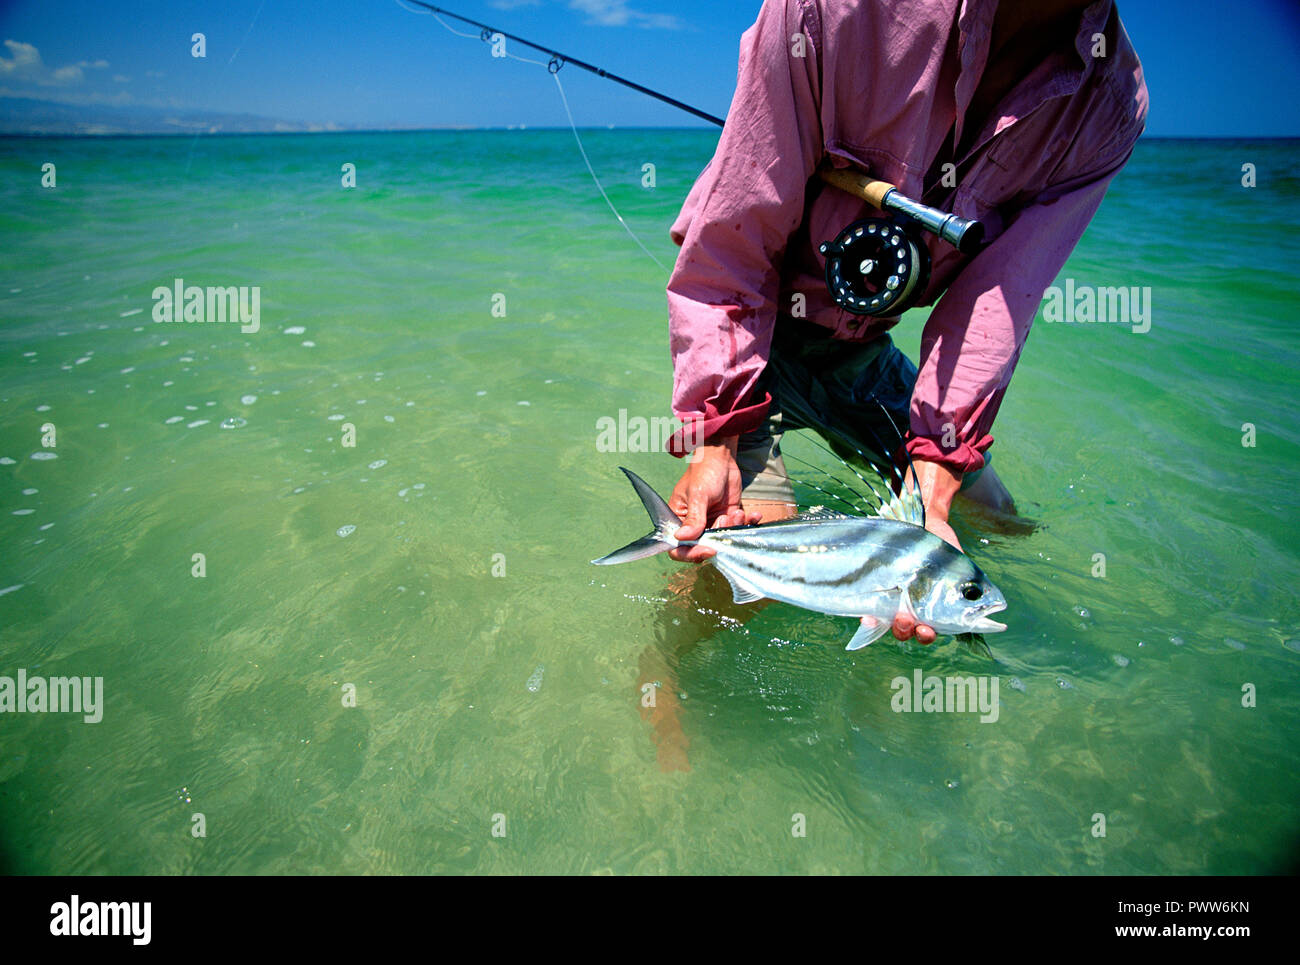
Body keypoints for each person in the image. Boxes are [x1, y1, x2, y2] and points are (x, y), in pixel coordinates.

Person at [661, 0, 1147, 644]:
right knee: (729, 580)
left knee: (994, 519)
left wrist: (936, 485)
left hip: (863, 352)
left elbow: (997, 304)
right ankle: (663, 704)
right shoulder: (836, 10)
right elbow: (735, 237)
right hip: (758, 341)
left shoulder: (1108, 106)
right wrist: (719, 432)